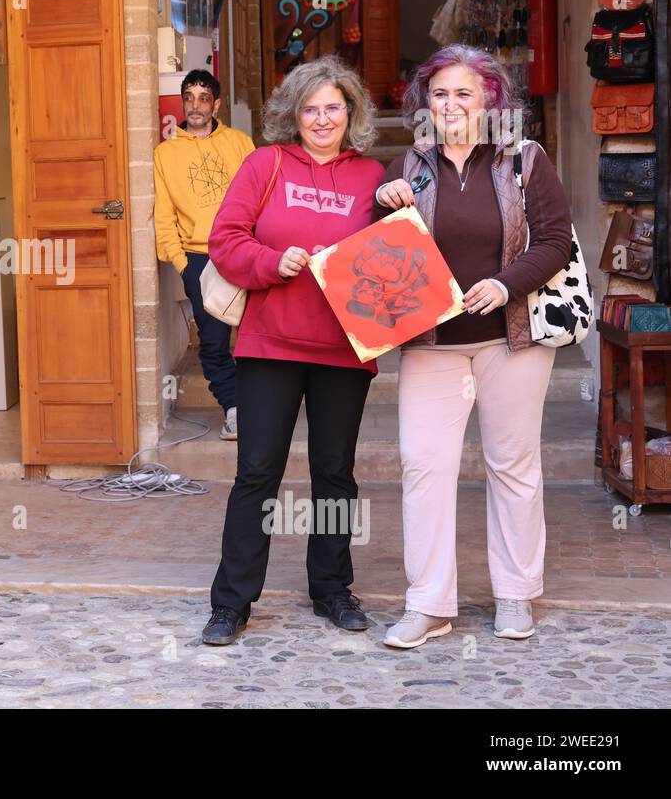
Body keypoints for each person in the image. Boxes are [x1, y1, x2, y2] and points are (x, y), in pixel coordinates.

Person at [374, 44, 573, 649]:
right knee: (423, 465)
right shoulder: (410, 166)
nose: (452, 104)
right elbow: (381, 259)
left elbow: (557, 241)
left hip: (511, 341)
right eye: (439, 94)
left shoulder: (524, 159)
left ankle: (515, 594)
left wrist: (503, 283)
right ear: (424, 104)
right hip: (432, 345)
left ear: (490, 98)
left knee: (512, 465)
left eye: (464, 93)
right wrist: (381, 206)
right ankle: (429, 604)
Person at [202, 56, 384, 645]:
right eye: (311, 108)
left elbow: (397, 257)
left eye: (334, 107)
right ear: (293, 114)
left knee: (336, 473)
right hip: (270, 343)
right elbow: (225, 240)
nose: (323, 118)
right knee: (257, 471)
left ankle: (331, 588)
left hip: (343, 348)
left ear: (350, 112)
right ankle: (231, 603)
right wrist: (269, 263)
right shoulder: (266, 164)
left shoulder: (373, 176)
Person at [153, 69, 256, 440]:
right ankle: (233, 409)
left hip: (244, 249)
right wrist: (182, 264)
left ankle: (261, 405)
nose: (195, 105)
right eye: (189, 97)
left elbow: (261, 197)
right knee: (212, 343)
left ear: (216, 103)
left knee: (255, 336)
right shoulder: (165, 154)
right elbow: (163, 215)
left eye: (203, 97)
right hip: (199, 257)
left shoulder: (241, 143)